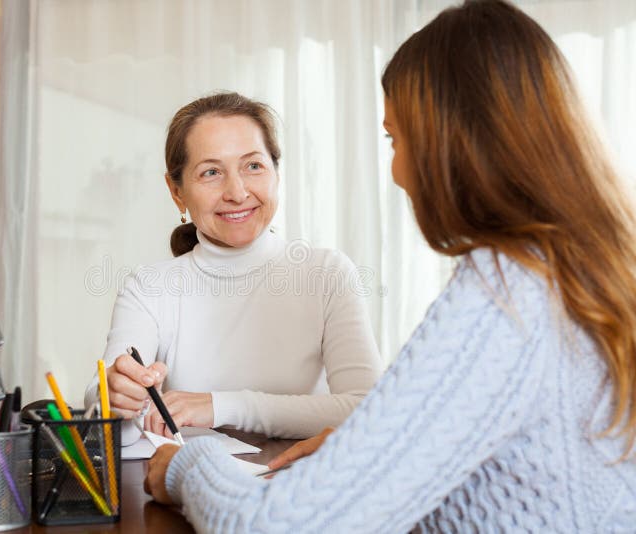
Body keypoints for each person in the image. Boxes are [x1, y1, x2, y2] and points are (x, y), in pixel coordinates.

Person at [142, 1, 636, 531]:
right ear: (179, 190)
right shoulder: (580, 270)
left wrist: (184, 466)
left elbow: (275, 526)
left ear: (451, 143)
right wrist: (372, 452)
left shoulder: (504, 293)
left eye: (396, 139)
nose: (398, 171)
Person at [85, 92, 383, 443]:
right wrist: (115, 398)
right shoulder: (148, 287)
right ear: (176, 191)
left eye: (253, 166)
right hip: (185, 490)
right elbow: (104, 413)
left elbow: (367, 410)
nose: (237, 192)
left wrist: (220, 406)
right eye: (211, 172)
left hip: (299, 488)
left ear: (276, 173)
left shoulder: (326, 273)